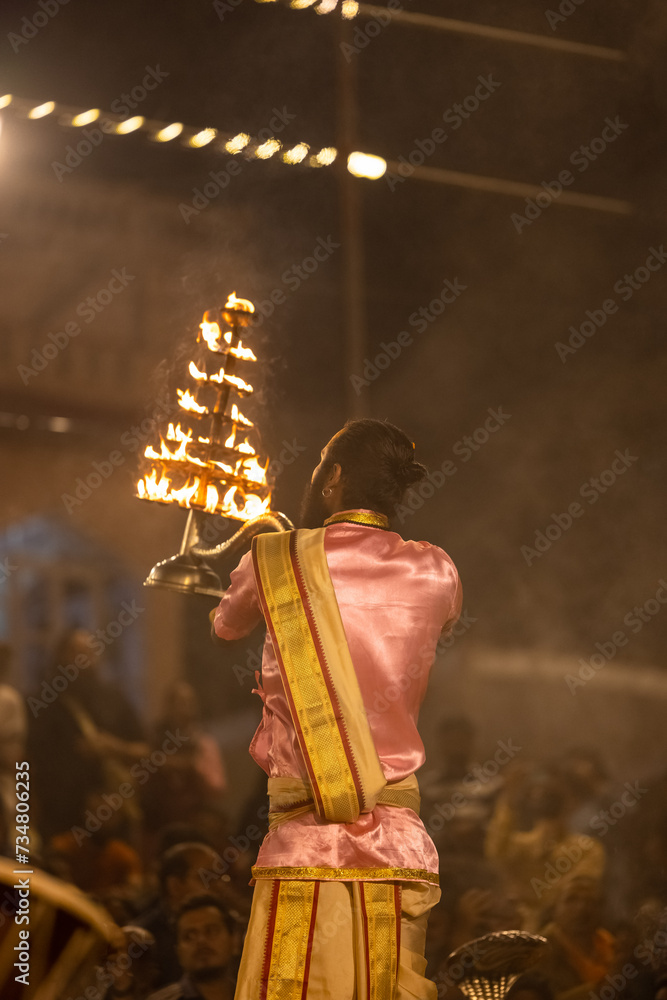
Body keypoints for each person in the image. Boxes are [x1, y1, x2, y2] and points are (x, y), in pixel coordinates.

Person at [211, 418, 462, 999]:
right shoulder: (436, 568)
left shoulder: (274, 558)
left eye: (321, 461)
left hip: (304, 832)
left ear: (335, 478)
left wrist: (265, 554)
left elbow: (226, 624)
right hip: (397, 840)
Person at [146, 895, 237, 1000]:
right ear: (178, 951)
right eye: (189, 936)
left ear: (234, 940)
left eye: (211, 931)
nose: (201, 940)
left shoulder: (254, 993)